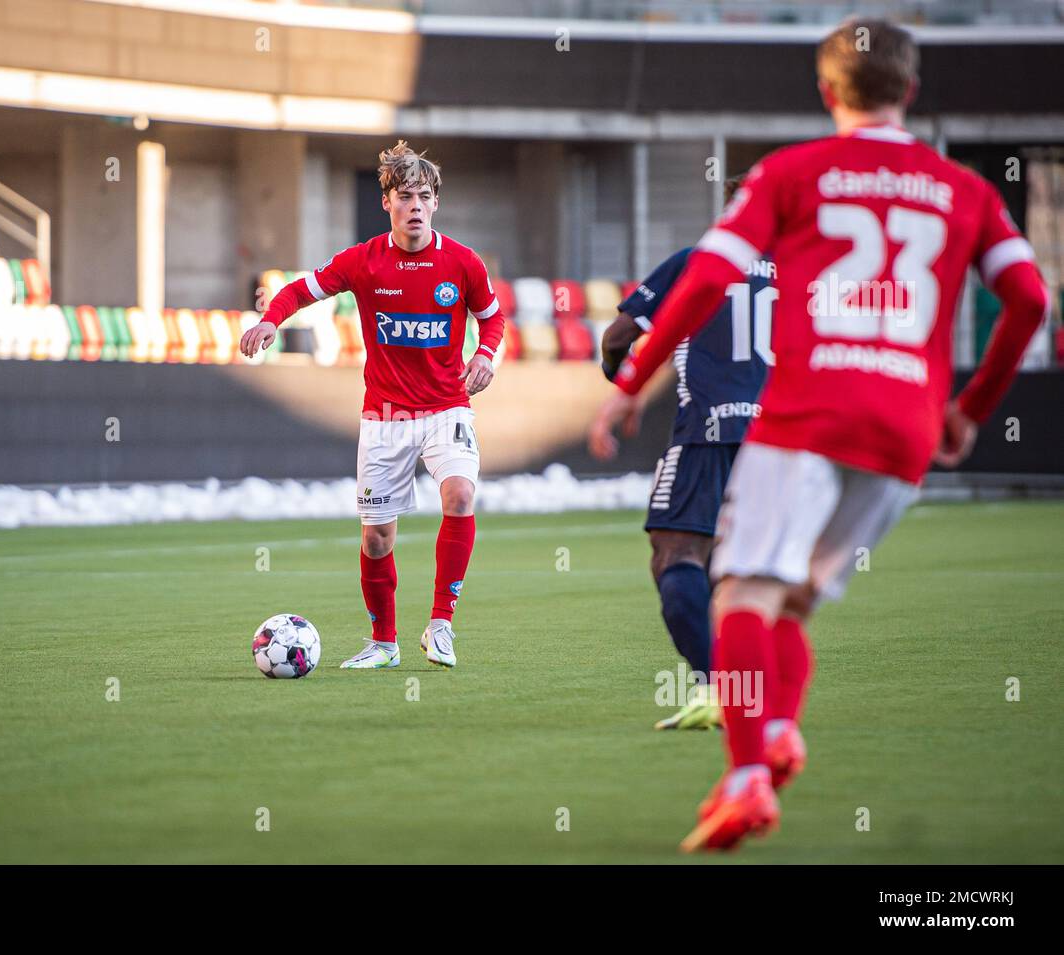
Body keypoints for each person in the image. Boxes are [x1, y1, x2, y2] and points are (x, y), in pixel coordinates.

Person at [601, 18, 1049, 851]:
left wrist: (632, 384)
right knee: (796, 602)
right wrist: (971, 407)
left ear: (826, 90)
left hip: (806, 413)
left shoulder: (794, 172)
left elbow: (706, 275)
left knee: (741, 594)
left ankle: (746, 775)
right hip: (905, 429)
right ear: (911, 92)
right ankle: (776, 729)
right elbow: (1029, 298)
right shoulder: (964, 189)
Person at [241, 141, 504, 670]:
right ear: (387, 201)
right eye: (404, 195)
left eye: (424, 197)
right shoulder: (363, 261)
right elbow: (301, 289)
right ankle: (384, 643)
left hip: (447, 409)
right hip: (384, 417)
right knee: (378, 539)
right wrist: (272, 319)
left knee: (459, 495)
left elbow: (493, 317)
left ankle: (440, 625)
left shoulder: (462, 262)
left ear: (435, 205)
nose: (415, 206)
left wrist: (486, 355)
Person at [589, 177, 776, 731]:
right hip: (776, 441)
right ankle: (755, 692)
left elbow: (618, 336)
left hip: (708, 430)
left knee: (675, 558)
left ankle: (719, 688)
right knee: (733, 567)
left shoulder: (702, 261)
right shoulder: (802, 275)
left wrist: (618, 384)